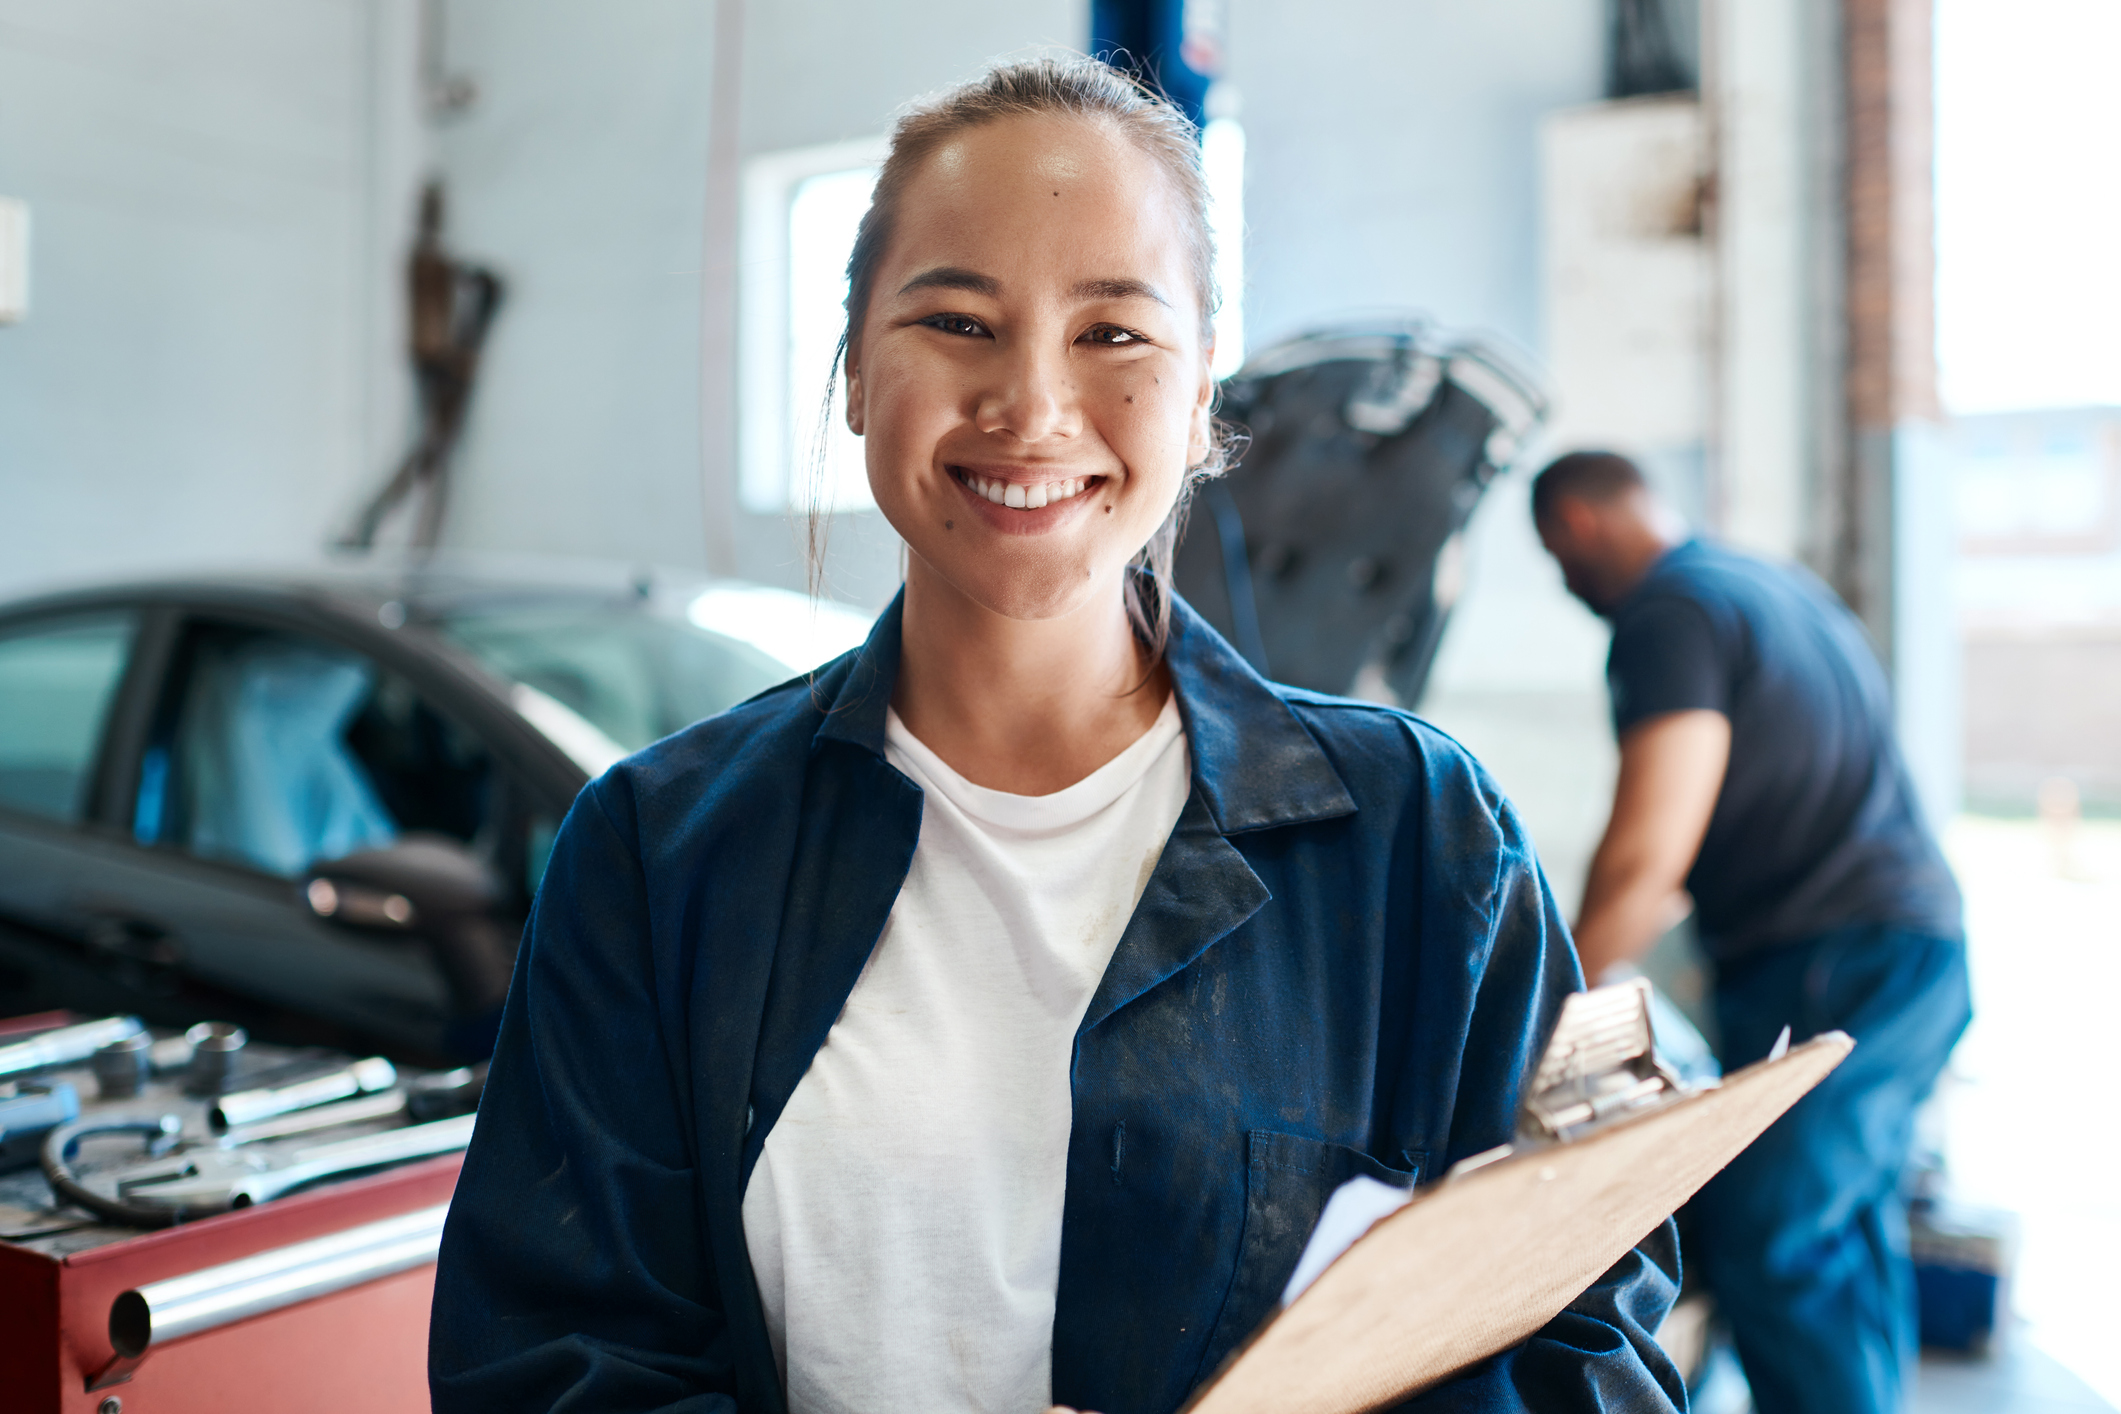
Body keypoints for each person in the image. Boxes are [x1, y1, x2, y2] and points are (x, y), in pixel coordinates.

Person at [428, 62, 1685, 1414]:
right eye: (957, 320)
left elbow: (1588, 1341)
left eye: (1113, 333)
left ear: (1200, 398)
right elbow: (546, 1369)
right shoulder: (659, 851)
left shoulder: (1421, 838)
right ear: (855, 374)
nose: (1030, 405)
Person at [1531, 451, 1972, 1414]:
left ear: (1575, 524)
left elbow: (1651, 851)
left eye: (1555, 562)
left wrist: (1549, 1003)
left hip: (1830, 962)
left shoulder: (1669, 614)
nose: (1566, 587)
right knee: (1838, 1235)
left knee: (1773, 1236)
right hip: (1911, 953)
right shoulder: (1771, 588)